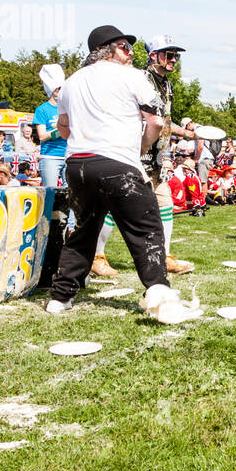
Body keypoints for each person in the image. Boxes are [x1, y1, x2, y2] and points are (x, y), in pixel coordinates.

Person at [45, 25, 192, 320]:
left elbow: (63, 127)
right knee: (146, 229)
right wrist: (139, 147)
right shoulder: (133, 76)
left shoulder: (72, 82)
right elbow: (155, 121)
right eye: (126, 47)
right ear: (109, 50)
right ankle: (160, 295)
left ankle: (60, 297)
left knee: (84, 230)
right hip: (117, 162)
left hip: (77, 165)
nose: (131, 53)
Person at [91, 37, 195, 277]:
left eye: (175, 56)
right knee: (117, 205)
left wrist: (187, 130)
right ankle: (96, 256)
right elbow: (141, 116)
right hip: (134, 151)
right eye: (168, 54)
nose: (173, 60)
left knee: (164, 203)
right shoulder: (139, 78)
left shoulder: (166, 84)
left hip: (156, 155)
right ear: (153, 55)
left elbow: (164, 119)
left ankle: (165, 256)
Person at [34, 64, 68, 191]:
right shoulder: (42, 110)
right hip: (50, 157)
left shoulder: (68, 107)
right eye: (58, 89)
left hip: (69, 155)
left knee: (72, 194)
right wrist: (61, 130)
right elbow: (42, 136)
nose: (60, 91)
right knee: (50, 193)